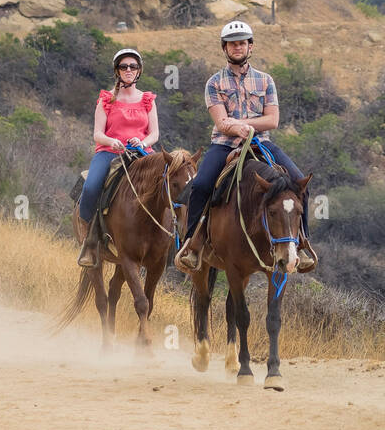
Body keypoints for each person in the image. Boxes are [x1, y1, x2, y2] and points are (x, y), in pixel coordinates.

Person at [175, 20, 317, 274]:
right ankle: (193, 245)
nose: (237, 47)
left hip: (262, 143)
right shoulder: (214, 83)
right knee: (201, 184)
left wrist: (242, 124)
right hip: (224, 144)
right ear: (225, 48)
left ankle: (303, 243)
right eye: (232, 44)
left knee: (299, 183)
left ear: (250, 47)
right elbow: (220, 121)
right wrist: (236, 127)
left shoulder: (265, 81)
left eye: (242, 43)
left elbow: (272, 120)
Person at [76, 48, 159, 267]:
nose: (129, 70)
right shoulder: (106, 99)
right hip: (111, 152)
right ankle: (88, 238)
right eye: (124, 66)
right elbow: (97, 133)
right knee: (92, 186)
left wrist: (142, 143)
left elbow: (154, 134)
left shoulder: (147, 99)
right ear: (117, 71)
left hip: (141, 154)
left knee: (169, 185)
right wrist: (111, 141)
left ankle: (170, 239)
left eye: (133, 66)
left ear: (139, 70)